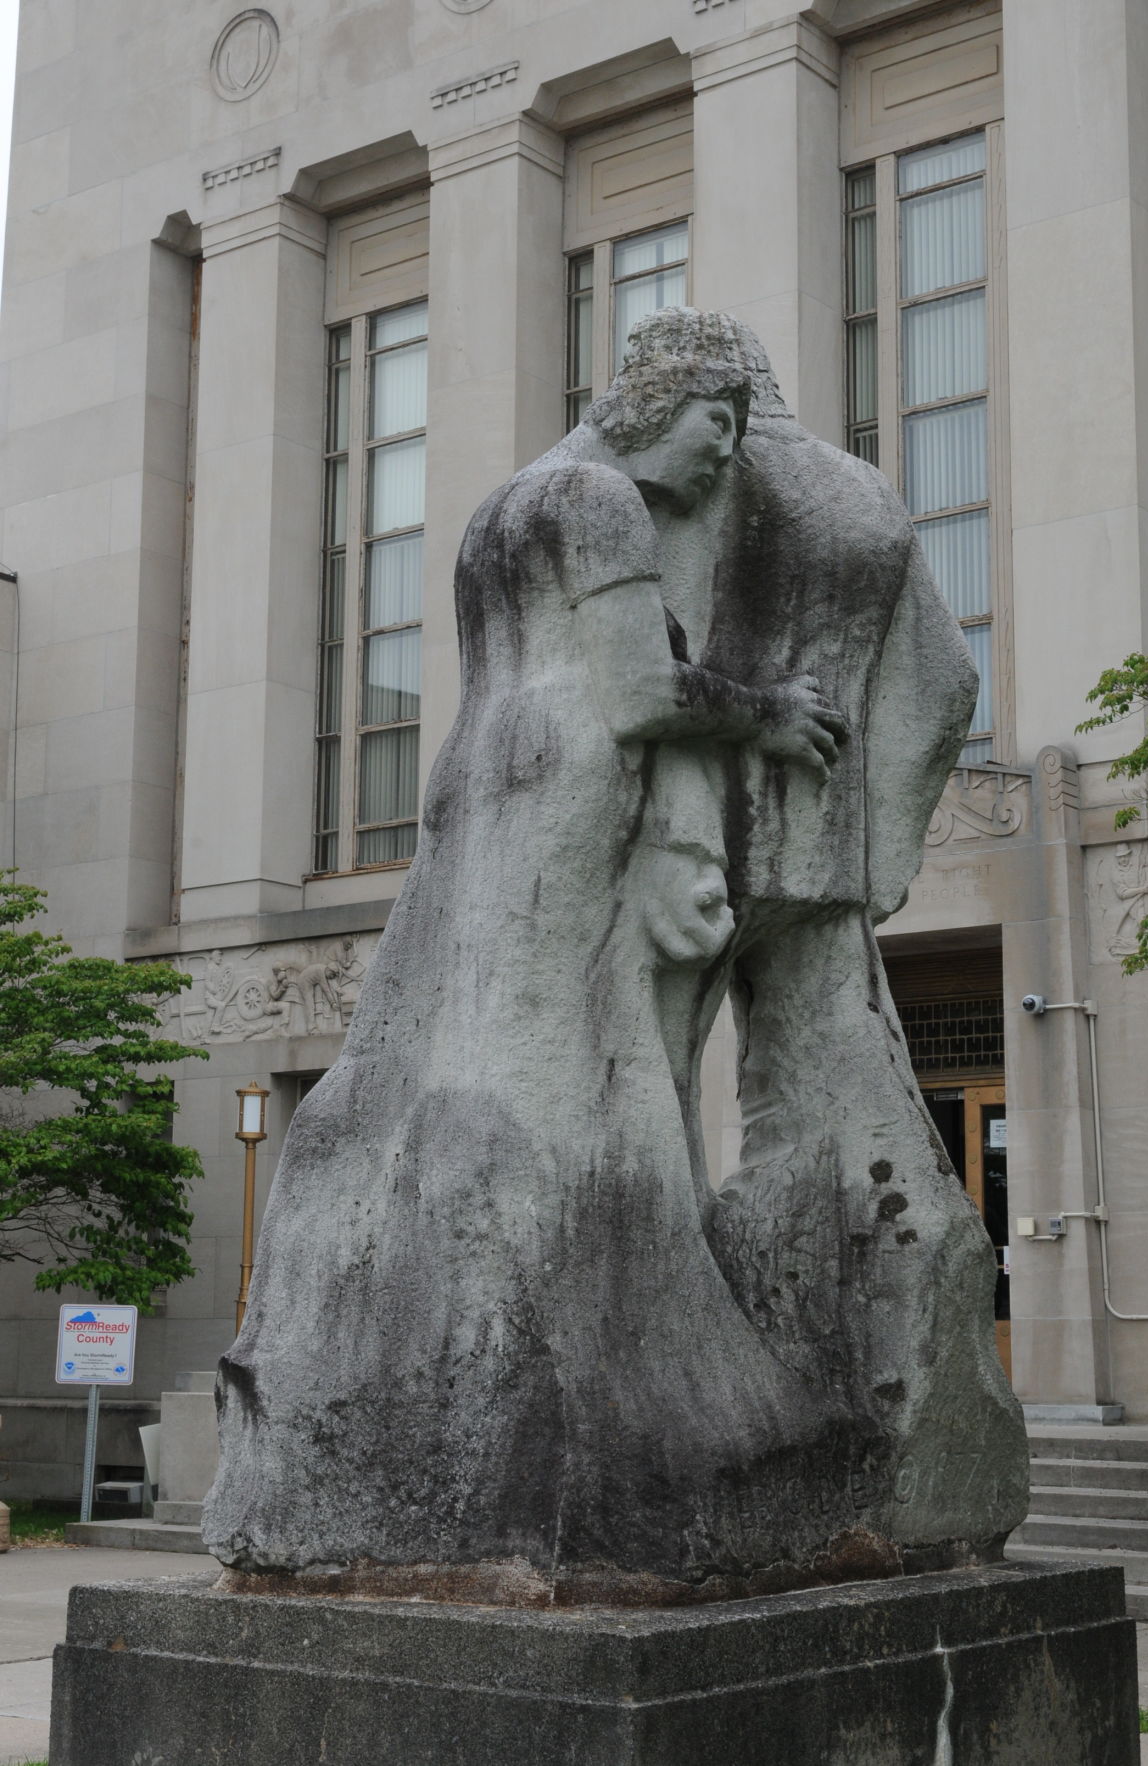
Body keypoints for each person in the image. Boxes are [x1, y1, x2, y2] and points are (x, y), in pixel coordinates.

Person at [204, 350, 869, 1602]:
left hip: (489, 783)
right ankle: (573, 1332)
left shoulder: (504, 508)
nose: (723, 455)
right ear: (650, 407)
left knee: (454, 1044)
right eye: (713, 427)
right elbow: (633, 685)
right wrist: (771, 709)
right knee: (566, 1054)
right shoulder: (599, 500)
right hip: (564, 792)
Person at [618, 309, 1027, 1552]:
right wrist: (876, 850)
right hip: (825, 851)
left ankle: (660, 1378)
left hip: (697, 834)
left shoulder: (694, 479)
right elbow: (947, 686)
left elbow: (637, 653)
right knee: (847, 1115)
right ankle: (905, 1432)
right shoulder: (865, 495)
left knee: (653, 1097)